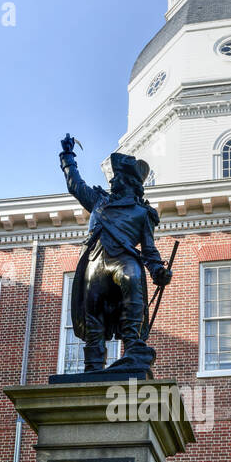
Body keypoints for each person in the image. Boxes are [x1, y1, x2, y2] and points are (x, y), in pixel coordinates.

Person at [59, 134, 172, 374]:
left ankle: (133, 349)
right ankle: (92, 367)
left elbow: (149, 250)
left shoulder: (142, 213)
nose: (113, 182)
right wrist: (68, 158)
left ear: (130, 182)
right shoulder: (99, 201)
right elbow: (75, 186)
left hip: (124, 259)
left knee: (131, 275)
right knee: (94, 318)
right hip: (96, 261)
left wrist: (158, 271)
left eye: (118, 178)